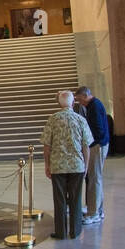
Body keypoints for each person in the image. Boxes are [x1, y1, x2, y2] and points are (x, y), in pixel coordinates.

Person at [40, 90, 93, 240]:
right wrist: (86, 166)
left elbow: (46, 146)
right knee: (76, 199)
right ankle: (75, 231)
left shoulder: (53, 119)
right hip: (77, 166)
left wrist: (47, 165)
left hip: (58, 166)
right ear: (73, 102)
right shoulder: (80, 120)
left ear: (59, 103)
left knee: (59, 200)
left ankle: (61, 232)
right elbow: (86, 146)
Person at [73, 86, 110, 223]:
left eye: (79, 99)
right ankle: (96, 209)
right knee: (95, 178)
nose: (79, 102)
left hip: (98, 146)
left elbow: (98, 130)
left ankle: (94, 213)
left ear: (84, 96)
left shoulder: (94, 107)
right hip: (99, 144)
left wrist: (90, 143)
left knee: (95, 179)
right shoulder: (94, 105)